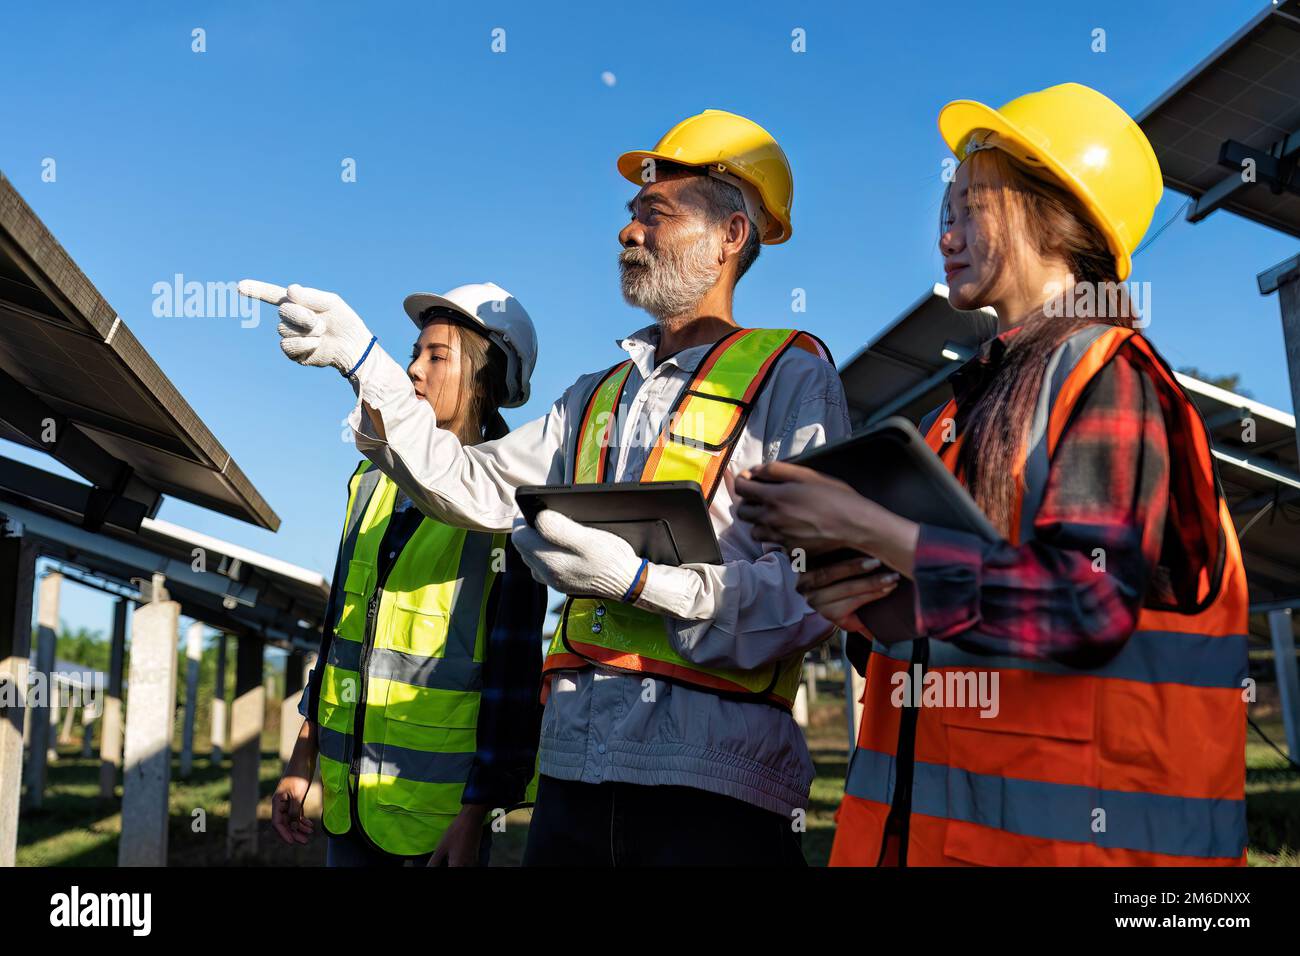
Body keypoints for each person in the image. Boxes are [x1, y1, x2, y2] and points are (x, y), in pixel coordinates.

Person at [242, 108, 850, 866]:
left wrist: (643, 584)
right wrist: (362, 362)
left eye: (655, 213)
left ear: (731, 235)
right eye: (631, 214)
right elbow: (464, 482)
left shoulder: (792, 380)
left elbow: (814, 593)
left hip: (713, 787)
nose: (628, 232)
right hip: (574, 777)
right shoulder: (594, 398)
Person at [735, 83, 1249, 866]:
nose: (945, 236)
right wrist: (863, 608)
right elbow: (950, 630)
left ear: (1057, 216)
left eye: (972, 207)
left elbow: (1084, 605)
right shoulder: (959, 413)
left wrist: (872, 529)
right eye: (946, 211)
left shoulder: (1109, 376)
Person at [267, 282, 547, 867]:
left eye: (436, 356)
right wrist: (304, 755)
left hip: (437, 822)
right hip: (347, 806)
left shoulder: (513, 500)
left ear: (483, 376)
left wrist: (477, 815)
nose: (413, 370)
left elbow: (512, 676)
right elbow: (340, 634)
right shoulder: (370, 480)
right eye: (414, 352)